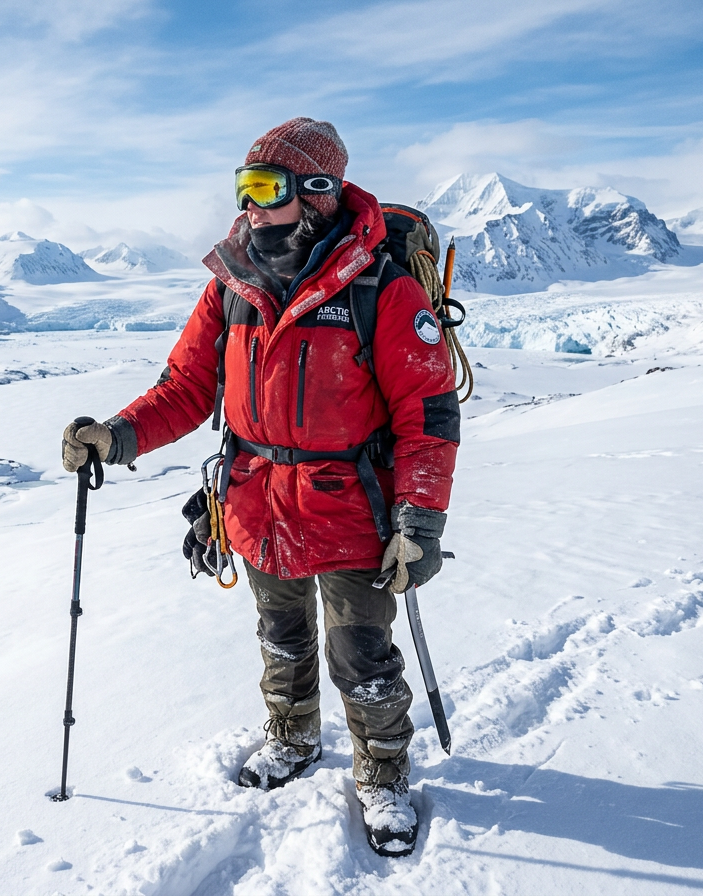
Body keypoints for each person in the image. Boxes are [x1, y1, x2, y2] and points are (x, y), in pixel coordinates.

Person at [61, 117, 458, 857]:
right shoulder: (233, 284)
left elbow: (427, 417)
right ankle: (292, 734)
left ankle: (382, 773)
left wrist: (420, 521)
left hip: (351, 505)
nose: (250, 205)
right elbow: (185, 386)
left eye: (265, 188)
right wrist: (116, 437)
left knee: (360, 651)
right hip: (256, 497)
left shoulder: (382, 288)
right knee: (281, 634)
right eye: (243, 188)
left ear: (317, 192)